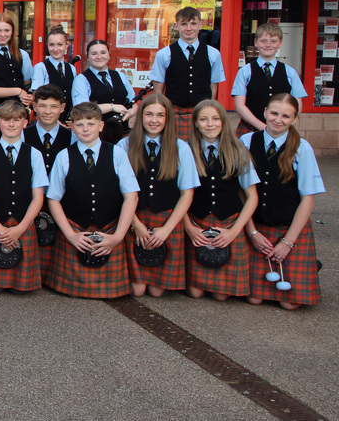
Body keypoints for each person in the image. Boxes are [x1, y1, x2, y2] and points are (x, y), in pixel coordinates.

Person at [45, 102, 140, 299]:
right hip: (75, 229)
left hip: (110, 229)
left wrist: (117, 237)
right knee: (68, 292)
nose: (85, 129)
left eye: (91, 123)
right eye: (80, 124)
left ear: (101, 126)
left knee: (136, 290)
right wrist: (71, 235)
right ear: (71, 126)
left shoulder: (117, 154)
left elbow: (131, 196)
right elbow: (53, 199)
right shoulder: (64, 157)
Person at [241, 94, 323, 309]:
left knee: (290, 304)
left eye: (286, 116)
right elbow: (242, 194)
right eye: (274, 113)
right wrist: (252, 233)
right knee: (254, 298)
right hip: (257, 228)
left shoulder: (302, 148)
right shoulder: (246, 142)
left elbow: (308, 199)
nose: (278, 119)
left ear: (295, 119)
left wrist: (288, 243)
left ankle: (307, 265)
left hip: (289, 229)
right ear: (265, 112)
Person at [118, 93, 199, 297]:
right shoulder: (124, 146)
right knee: (137, 290)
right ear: (140, 117)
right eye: (149, 114)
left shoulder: (181, 148)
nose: (154, 120)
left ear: (168, 118)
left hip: (166, 219)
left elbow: (187, 194)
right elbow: (119, 191)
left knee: (156, 291)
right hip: (134, 217)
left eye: (160, 115)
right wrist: (135, 225)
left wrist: (166, 230)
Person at [0, 100, 48, 293]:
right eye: (6, 120)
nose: (11, 124)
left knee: (20, 290)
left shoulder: (35, 155)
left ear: (25, 122)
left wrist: (20, 229)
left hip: (23, 223)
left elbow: (38, 198)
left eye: (16, 119)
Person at [185, 100, 259, 301]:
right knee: (195, 292)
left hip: (228, 223)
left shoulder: (238, 150)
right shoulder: (186, 151)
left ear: (224, 122)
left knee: (221, 296)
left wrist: (234, 232)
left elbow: (252, 197)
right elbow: (178, 195)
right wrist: (189, 228)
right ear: (195, 123)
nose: (210, 124)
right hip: (197, 223)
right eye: (204, 119)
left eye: (216, 119)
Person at [149, 7, 226, 139]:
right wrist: (164, 113)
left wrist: (209, 112)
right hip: (175, 111)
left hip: (202, 112)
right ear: (176, 26)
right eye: (184, 24)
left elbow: (213, 87)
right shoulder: (164, 54)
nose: (189, 28)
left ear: (201, 25)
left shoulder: (213, 54)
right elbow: (158, 90)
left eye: (193, 23)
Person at [23, 84, 74, 275]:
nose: (48, 111)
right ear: (34, 106)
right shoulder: (22, 135)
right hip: (28, 201)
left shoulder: (72, 138)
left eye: (53, 106)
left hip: (61, 203)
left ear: (62, 108)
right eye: (43, 106)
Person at [232, 23, 308, 135]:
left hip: (281, 130)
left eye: (273, 41)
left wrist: (282, 126)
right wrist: (262, 127)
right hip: (250, 130)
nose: (268, 45)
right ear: (256, 42)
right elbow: (239, 105)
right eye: (263, 41)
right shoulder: (245, 72)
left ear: (280, 43)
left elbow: (297, 104)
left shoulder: (290, 72)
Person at [72, 40, 137, 144]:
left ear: (109, 55)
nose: (99, 56)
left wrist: (130, 112)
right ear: (88, 57)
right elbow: (81, 110)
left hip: (122, 134)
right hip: (96, 137)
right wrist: (112, 107)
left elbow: (133, 102)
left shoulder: (120, 76)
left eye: (103, 52)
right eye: (94, 54)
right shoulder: (81, 79)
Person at [29, 26, 77, 123]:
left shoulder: (72, 69)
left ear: (67, 44)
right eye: (52, 45)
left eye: (60, 44)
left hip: (66, 120)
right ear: (47, 45)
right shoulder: (41, 68)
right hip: (46, 119)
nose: (55, 49)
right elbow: (37, 97)